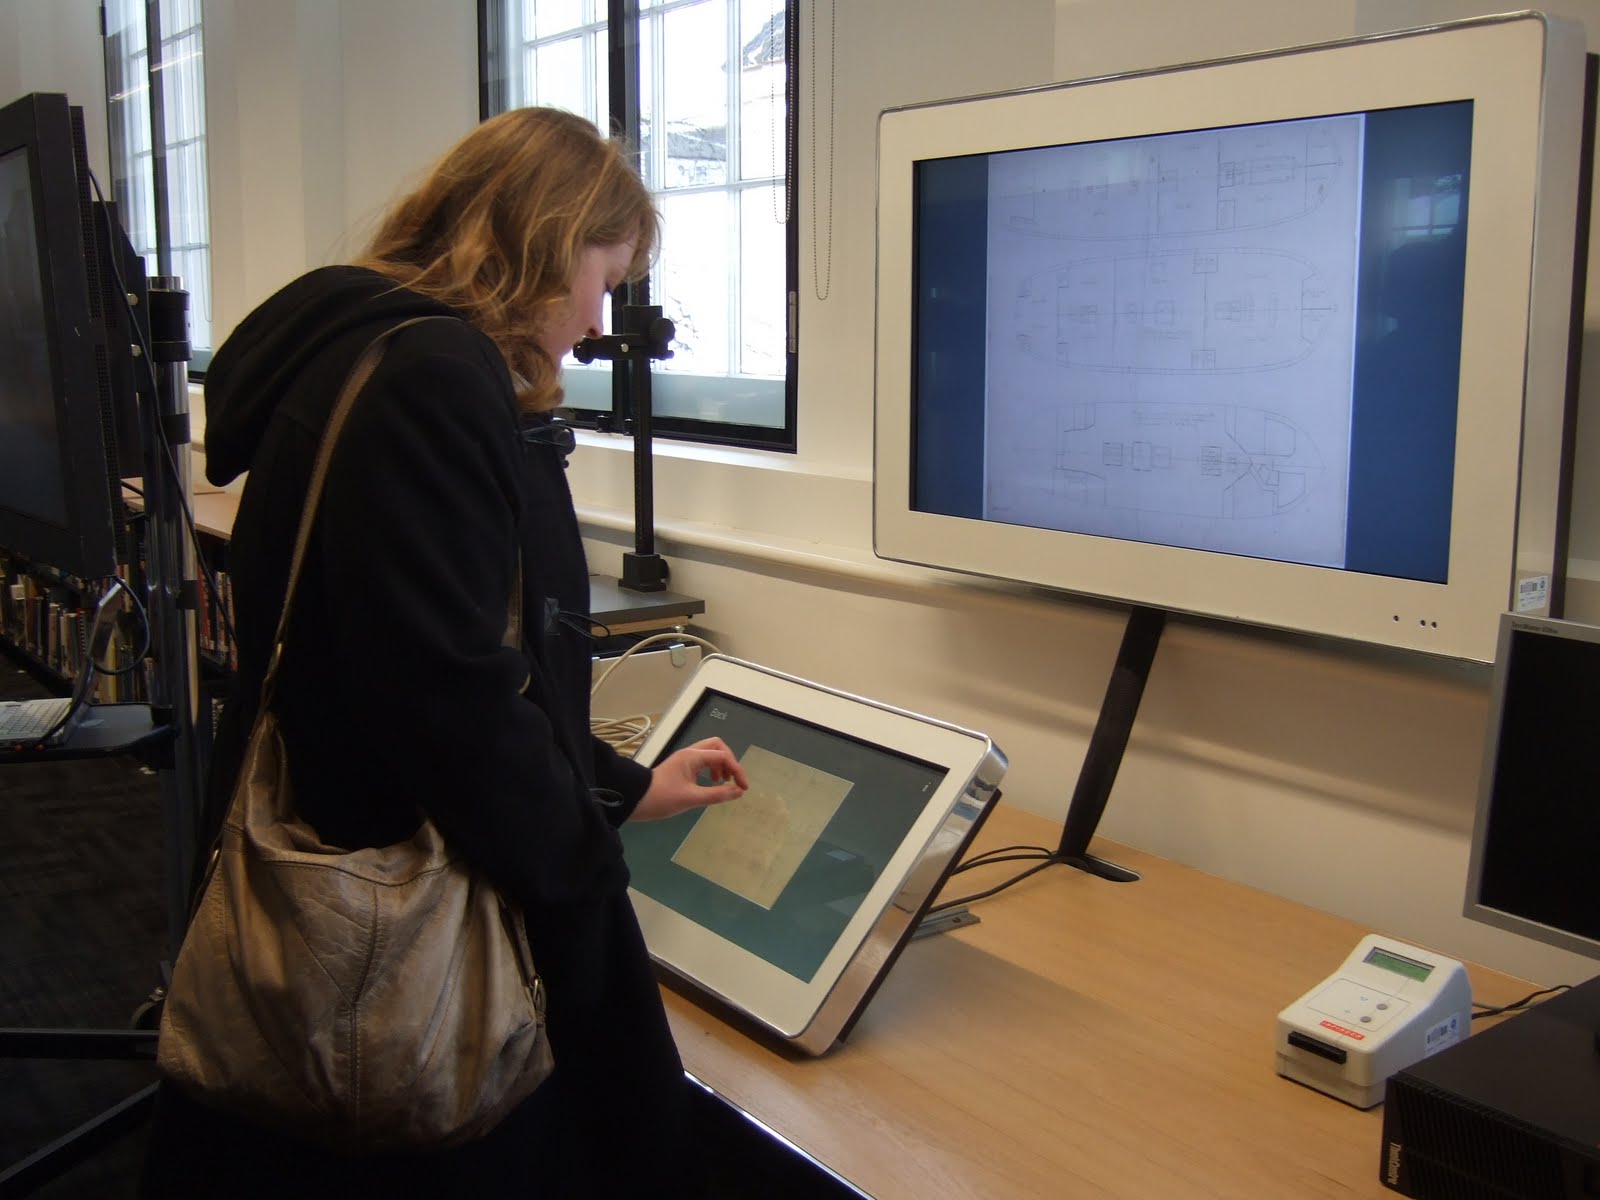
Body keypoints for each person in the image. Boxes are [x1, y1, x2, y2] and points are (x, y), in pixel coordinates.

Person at [140, 107, 748, 1197]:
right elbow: (452, 702)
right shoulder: (434, 379)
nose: (595, 318)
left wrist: (619, 785)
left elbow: (423, 650)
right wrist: (584, 871)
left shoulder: (354, 348)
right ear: (544, 243)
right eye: (602, 278)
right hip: (400, 932)